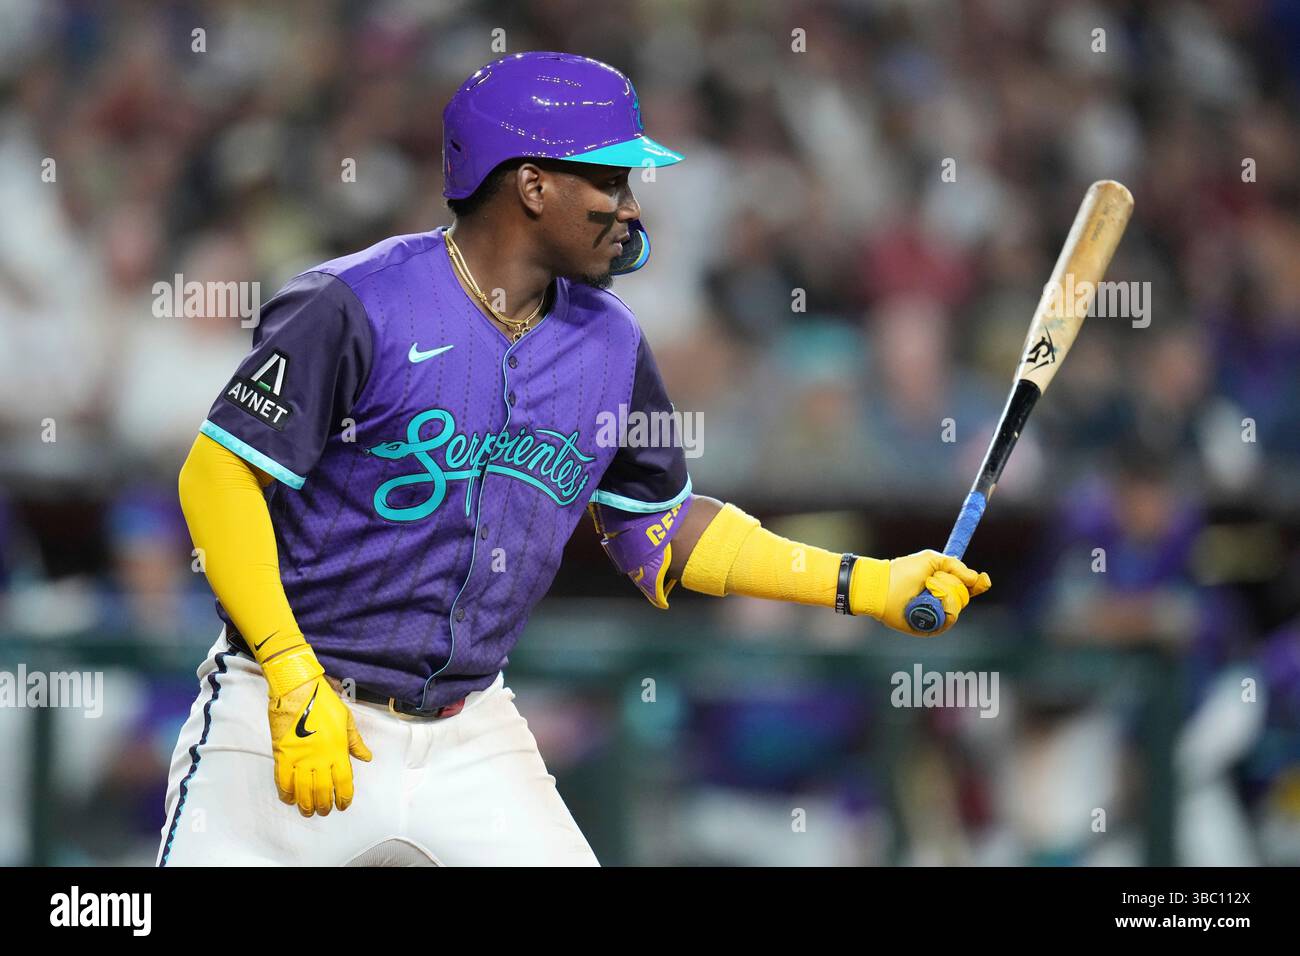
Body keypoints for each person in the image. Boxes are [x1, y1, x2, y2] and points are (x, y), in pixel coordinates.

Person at [157, 52, 991, 866]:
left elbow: (662, 528)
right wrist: (287, 666)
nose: (630, 209)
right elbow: (218, 472)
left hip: (468, 727)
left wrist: (864, 583)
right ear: (532, 186)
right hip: (287, 701)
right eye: (612, 182)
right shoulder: (354, 302)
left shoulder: (610, 341)